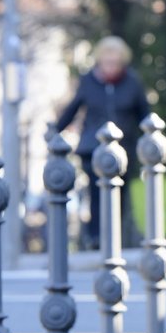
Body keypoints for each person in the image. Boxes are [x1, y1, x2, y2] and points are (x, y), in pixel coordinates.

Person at [54, 36, 151, 250]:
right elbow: (73, 108)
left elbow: (144, 113)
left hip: (124, 148)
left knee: (119, 194)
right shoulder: (88, 81)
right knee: (96, 193)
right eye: (107, 62)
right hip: (92, 147)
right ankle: (96, 237)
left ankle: (115, 236)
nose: (111, 68)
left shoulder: (132, 82)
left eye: (115, 63)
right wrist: (55, 131)